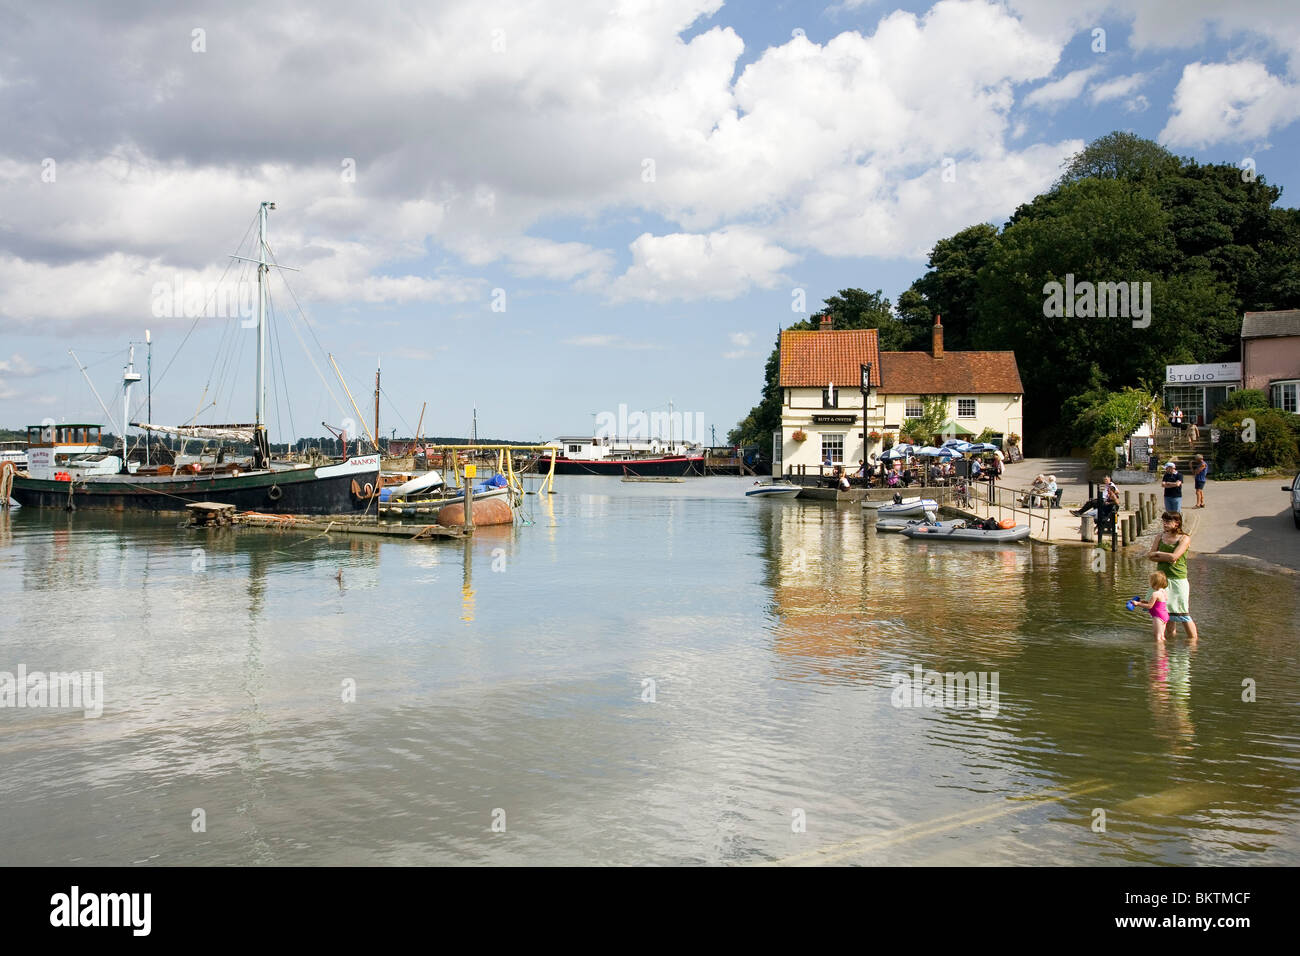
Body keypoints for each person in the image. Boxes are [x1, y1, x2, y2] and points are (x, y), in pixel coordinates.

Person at [1147, 511, 1198, 642]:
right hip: (1162, 579)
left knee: (1183, 613)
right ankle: (1171, 641)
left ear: (1177, 523)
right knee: (1166, 613)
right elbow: (1150, 555)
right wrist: (1163, 556)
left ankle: (1193, 642)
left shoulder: (1184, 538)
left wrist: (1159, 554)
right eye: (1163, 521)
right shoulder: (1160, 536)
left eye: (1168, 522)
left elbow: (1174, 556)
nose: (1165, 524)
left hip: (1178, 579)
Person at [1133, 570, 1170, 642]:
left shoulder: (1155, 594)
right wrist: (1144, 601)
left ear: (1154, 583)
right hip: (1165, 615)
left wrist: (1138, 604)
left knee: (1157, 637)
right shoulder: (1163, 592)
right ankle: (1164, 651)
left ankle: (1159, 652)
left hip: (1158, 617)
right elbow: (1158, 603)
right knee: (1162, 636)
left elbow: (1149, 606)